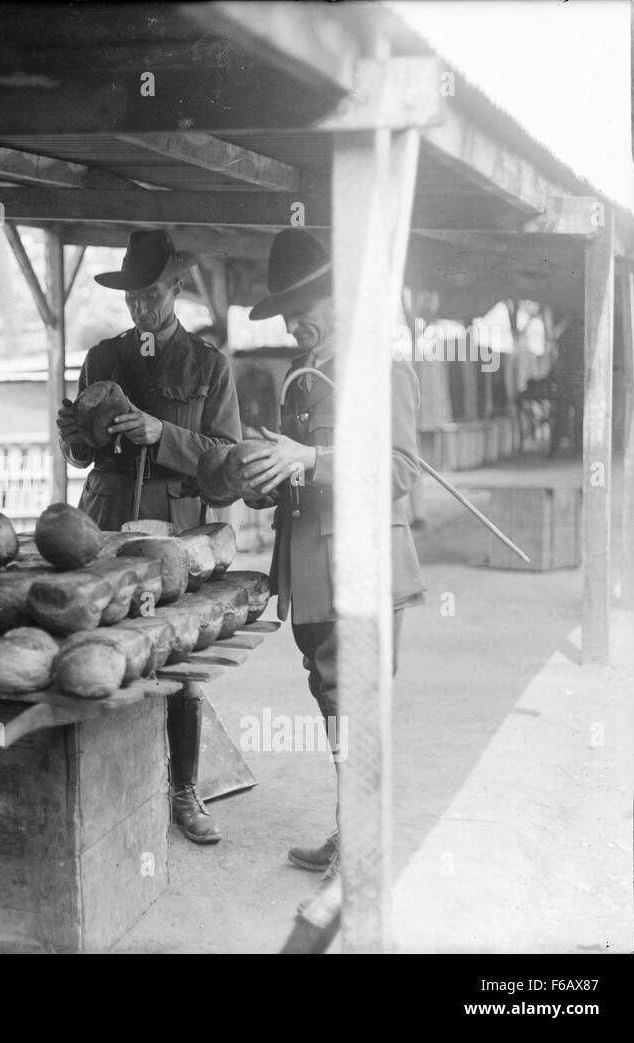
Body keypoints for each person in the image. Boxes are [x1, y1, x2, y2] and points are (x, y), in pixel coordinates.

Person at [221, 228, 425, 894]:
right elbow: (297, 475)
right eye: (286, 307)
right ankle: (354, 827)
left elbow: (399, 469)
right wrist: (267, 481)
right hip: (310, 573)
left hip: (363, 572)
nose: (293, 319)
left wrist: (311, 459)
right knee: (332, 698)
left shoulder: (381, 368)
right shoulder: (300, 383)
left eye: (306, 301)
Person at [55, 229, 242, 845]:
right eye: (132, 297)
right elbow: (84, 455)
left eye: (152, 293)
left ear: (177, 288)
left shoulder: (209, 364)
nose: (141, 306)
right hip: (108, 512)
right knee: (105, 641)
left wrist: (161, 432)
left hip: (176, 520)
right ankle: (114, 792)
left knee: (178, 651)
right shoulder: (102, 358)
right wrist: (76, 433)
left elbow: (228, 460)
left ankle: (183, 789)